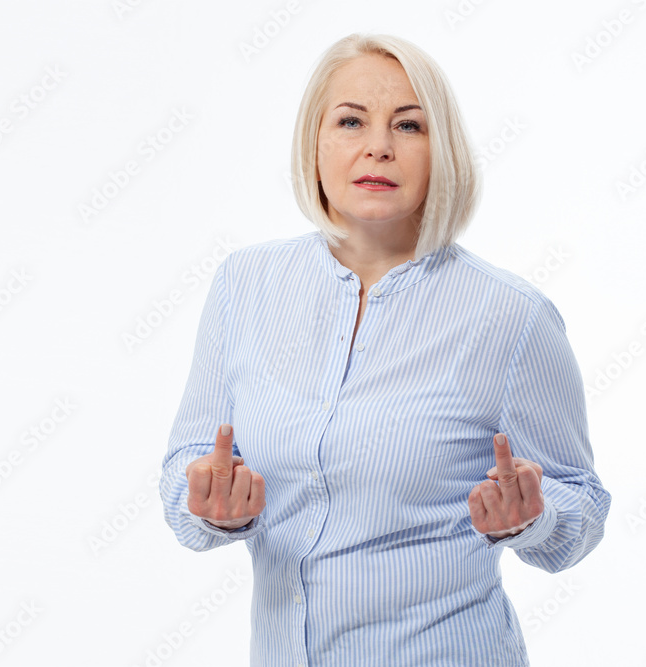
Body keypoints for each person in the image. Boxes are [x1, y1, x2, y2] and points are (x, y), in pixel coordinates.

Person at [159, 32, 611, 666]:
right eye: (350, 121)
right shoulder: (245, 285)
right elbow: (187, 467)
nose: (378, 145)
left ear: (442, 151)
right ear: (313, 143)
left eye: (409, 125)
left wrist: (530, 517)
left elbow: (580, 505)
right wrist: (211, 506)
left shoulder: (511, 317)